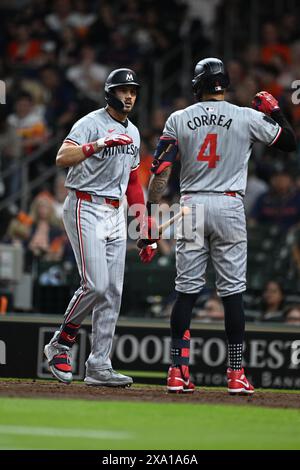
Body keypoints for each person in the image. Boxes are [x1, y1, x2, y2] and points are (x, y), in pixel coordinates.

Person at [138, 57, 296, 395]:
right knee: (232, 293)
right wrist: (276, 111)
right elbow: (289, 143)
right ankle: (236, 373)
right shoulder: (245, 115)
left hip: (192, 204)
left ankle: (178, 370)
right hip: (229, 202)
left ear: (197, 85)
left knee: (187, 291)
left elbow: (160, 173)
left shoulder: (179, 118)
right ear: (225, 83)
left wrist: (149, 220)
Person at [44, 68, 146, 387]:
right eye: (122, 90)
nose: (128, 95)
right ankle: (61, 342)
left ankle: (99, 364)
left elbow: (132, 181)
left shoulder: (135, 132)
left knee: (112, 292)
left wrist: (144, 225)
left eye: (132, 91)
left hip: (116, 212)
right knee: (96, 284)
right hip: (85, 204)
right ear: (109, 93)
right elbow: (62, 157)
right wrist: (97, 144)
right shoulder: (90, 123)